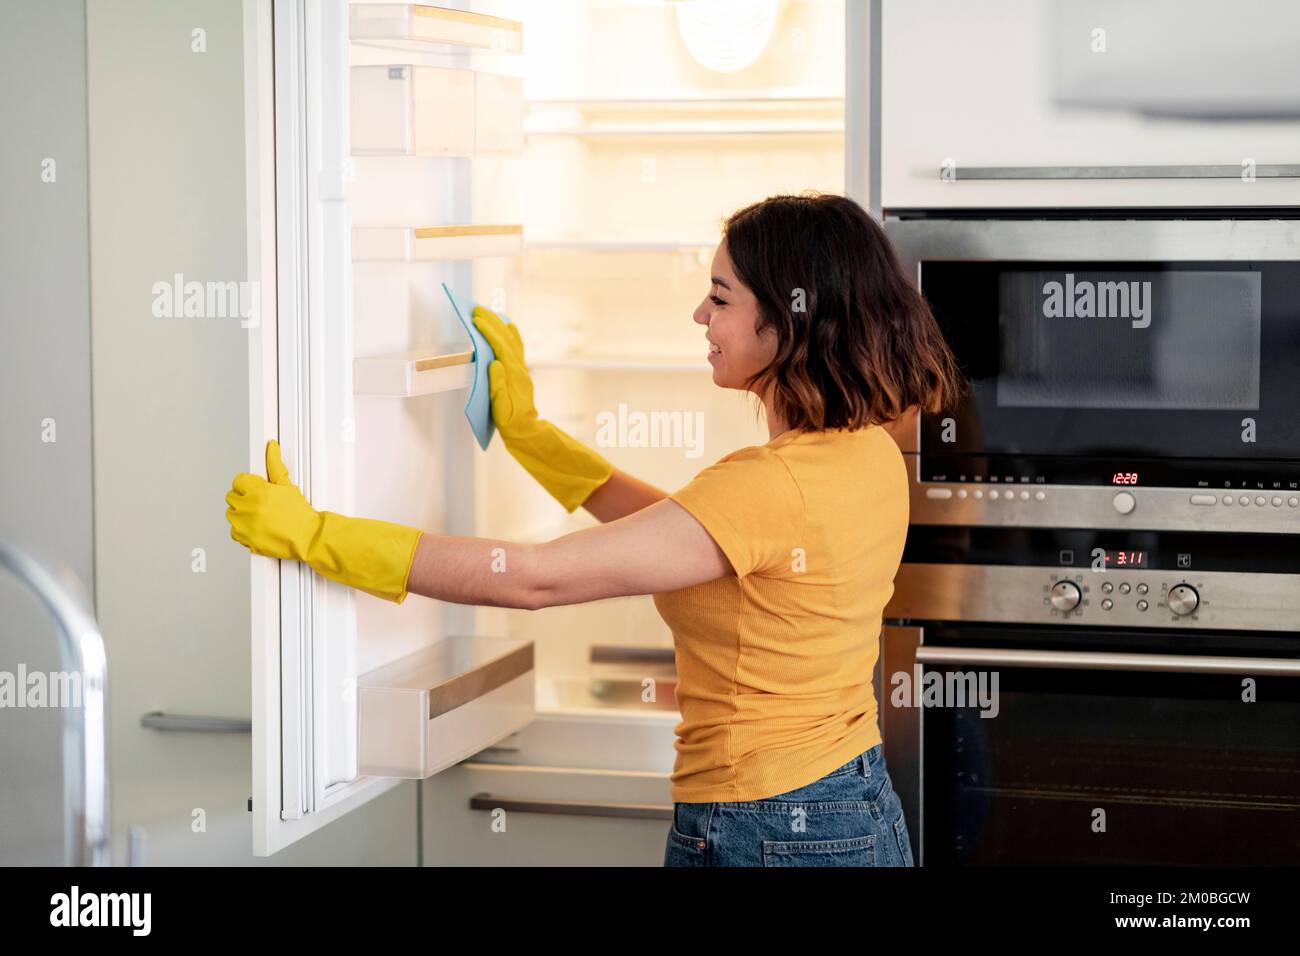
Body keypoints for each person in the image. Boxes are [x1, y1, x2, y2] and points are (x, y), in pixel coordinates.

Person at [226, 192, 964, 867]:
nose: (700, 317)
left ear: (790, 320)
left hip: (769, 823)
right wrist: (529, 433)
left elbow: (536, 578)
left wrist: (319, 536)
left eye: (719, 297)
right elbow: (684, 529)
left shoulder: (772, 484)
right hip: (849, 802)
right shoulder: (865, 450)